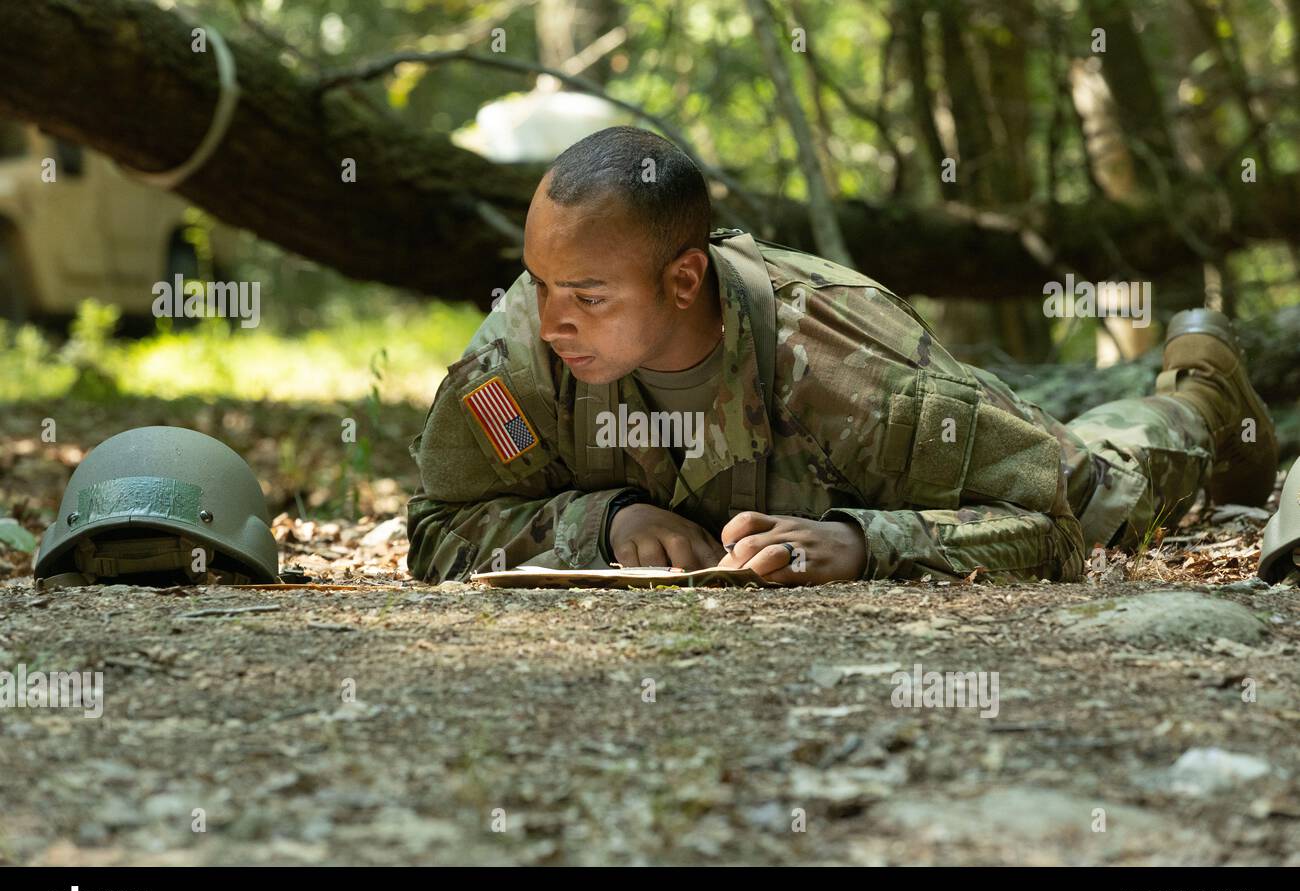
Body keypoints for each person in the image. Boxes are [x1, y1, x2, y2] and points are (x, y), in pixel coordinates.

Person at [405, 126, 1277, 585]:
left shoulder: (839, 358)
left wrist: (864, 544)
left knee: (1105, 492)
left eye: (587, 296)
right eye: (538, 282)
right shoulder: (521, 357)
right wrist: (603, 524)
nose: (549, 319)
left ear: (682, 281)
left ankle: (1199, 393)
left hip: (911, 460)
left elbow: (1045, 529)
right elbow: (438, 526)